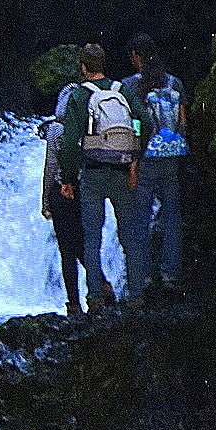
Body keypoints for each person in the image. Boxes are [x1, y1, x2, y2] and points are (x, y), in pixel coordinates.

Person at [58, 43, 148, 311]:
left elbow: (70, 141)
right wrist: (134, 156)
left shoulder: (79, 96)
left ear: (83, 67)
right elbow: (144, 120)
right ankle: (136, 297)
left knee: (92, 238)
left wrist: (68, 180)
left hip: (93, 174)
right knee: (130, 238)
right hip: (123, 172)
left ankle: (95, 298)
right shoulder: (122, 90)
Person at [124, 33, 188, 298]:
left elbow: (134, 128)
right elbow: (184, 122)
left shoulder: (129, 86)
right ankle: (170, 274)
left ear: (137, 58)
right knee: (172, 218)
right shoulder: (174, 83)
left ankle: (142, 278)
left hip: (146, 159)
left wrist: (132, 166)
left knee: (140, 219)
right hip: (171, 157)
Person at [39, 81, 84, 317]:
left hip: (61, 192)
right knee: (86, 245)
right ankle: (102, 290)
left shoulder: (56, 129)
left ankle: (73, 304)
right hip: (86, 189)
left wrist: (45, 201)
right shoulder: (88, 126)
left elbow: (50, 167)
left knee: (67, 250)